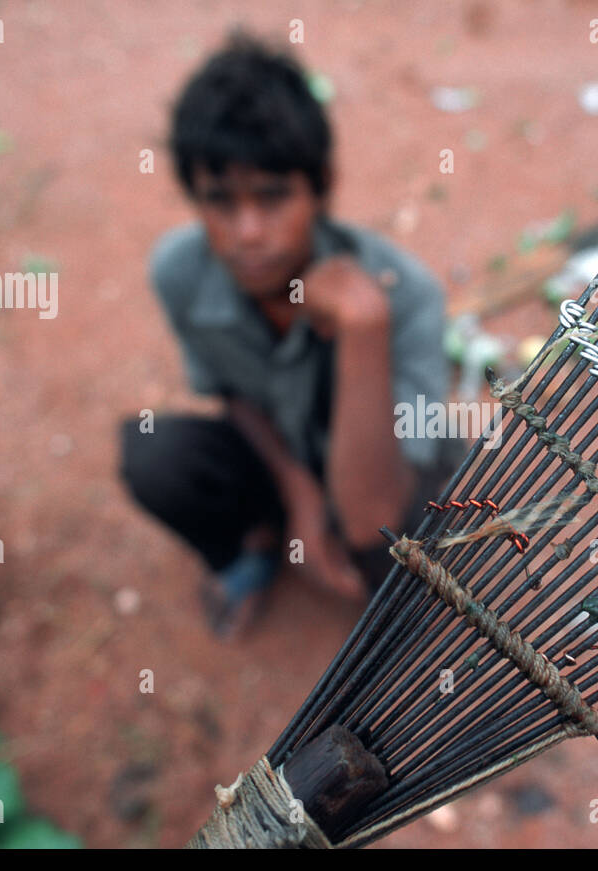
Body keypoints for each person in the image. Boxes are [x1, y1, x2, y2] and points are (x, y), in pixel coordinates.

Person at [119, 32, 458, 635]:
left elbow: (370, 516)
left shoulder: (406, 296)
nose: (247, 232)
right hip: (288, 455)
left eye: (273, 197)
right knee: (154, 457)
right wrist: (299, 493)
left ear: (322, 186)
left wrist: (363, 330)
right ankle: (256, 543)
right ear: (195, 200)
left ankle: (404, 620)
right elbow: (232, 393)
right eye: (220, 201)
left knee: (403, 547)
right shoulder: (180, 271)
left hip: (377, 474)